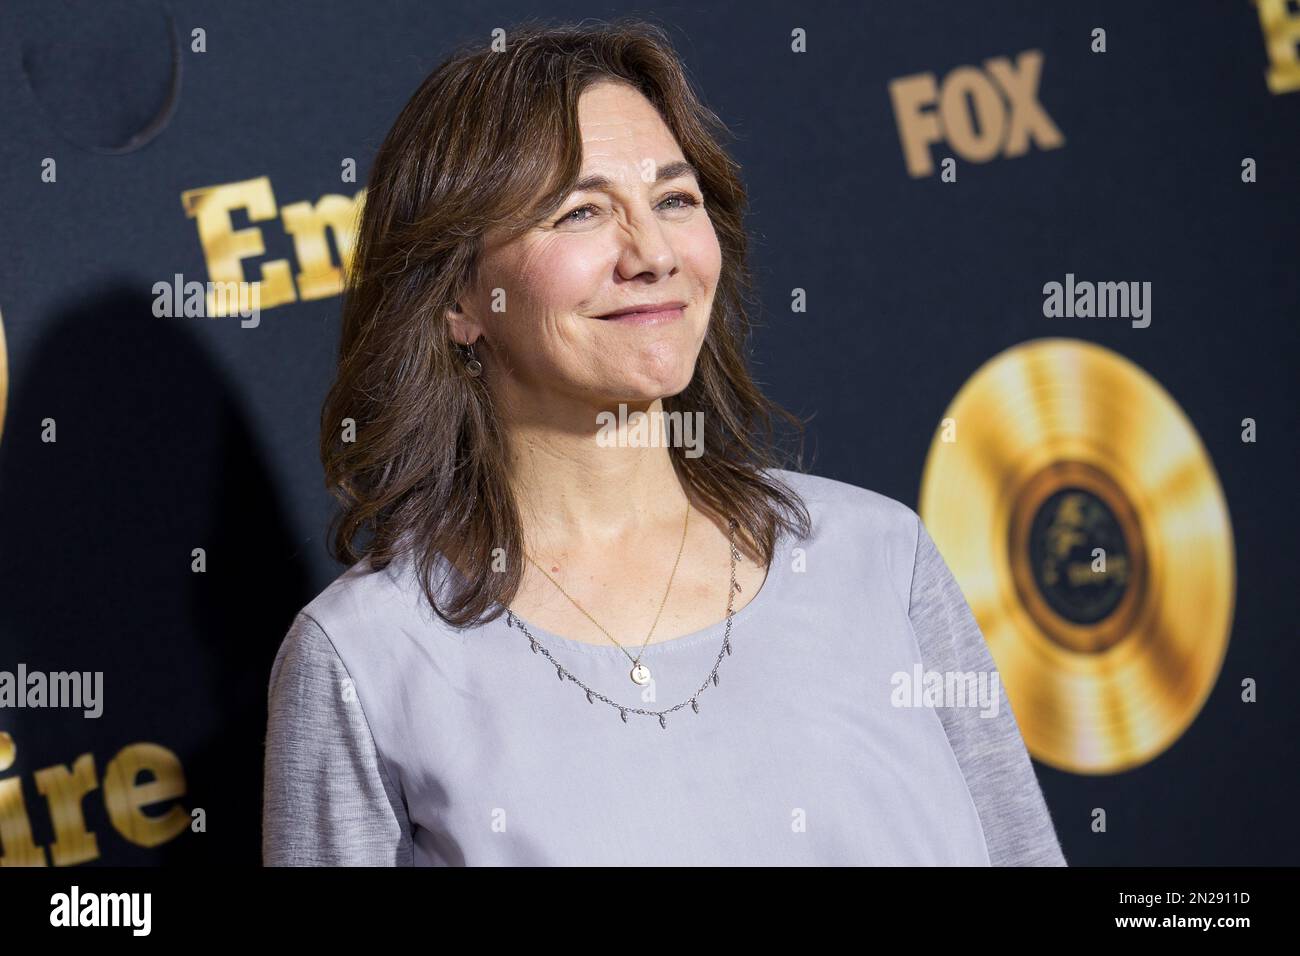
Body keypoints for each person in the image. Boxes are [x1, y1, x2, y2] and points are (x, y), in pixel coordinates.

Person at [261, 19, 1066, 866]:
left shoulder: (879, 558)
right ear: (458, 299)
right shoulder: (365, 657)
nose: (651, 254)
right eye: (580, 212)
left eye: (675, 199)